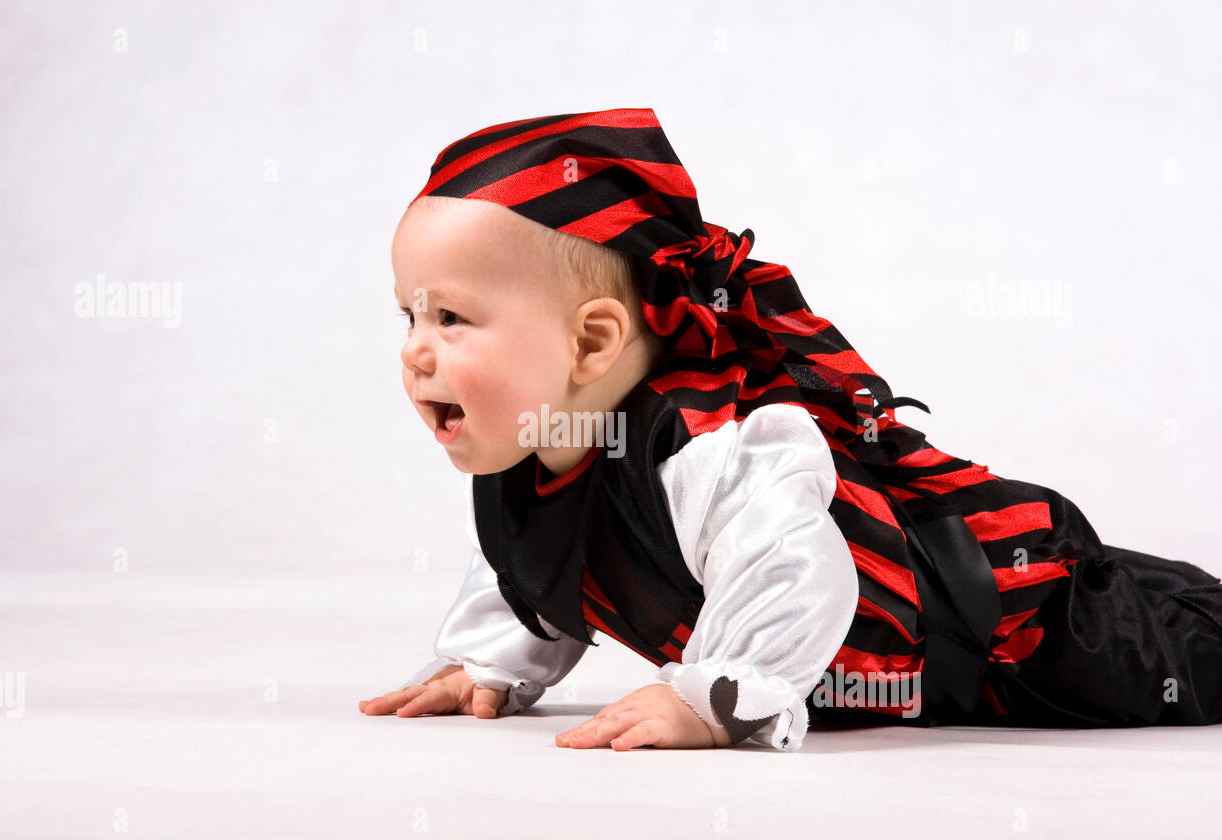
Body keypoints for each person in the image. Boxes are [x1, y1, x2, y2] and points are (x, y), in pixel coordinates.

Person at [358, 107, 1222, 752]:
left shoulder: (708, 448)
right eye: (409, 317)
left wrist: (716, 698)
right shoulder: (535, 457)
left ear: (592, 341)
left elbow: (795, 569)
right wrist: (490, 668)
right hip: (929, 673)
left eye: (452, 320)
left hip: (1016, 620)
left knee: (1184, 646)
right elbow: (546, 567)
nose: (415, 353)